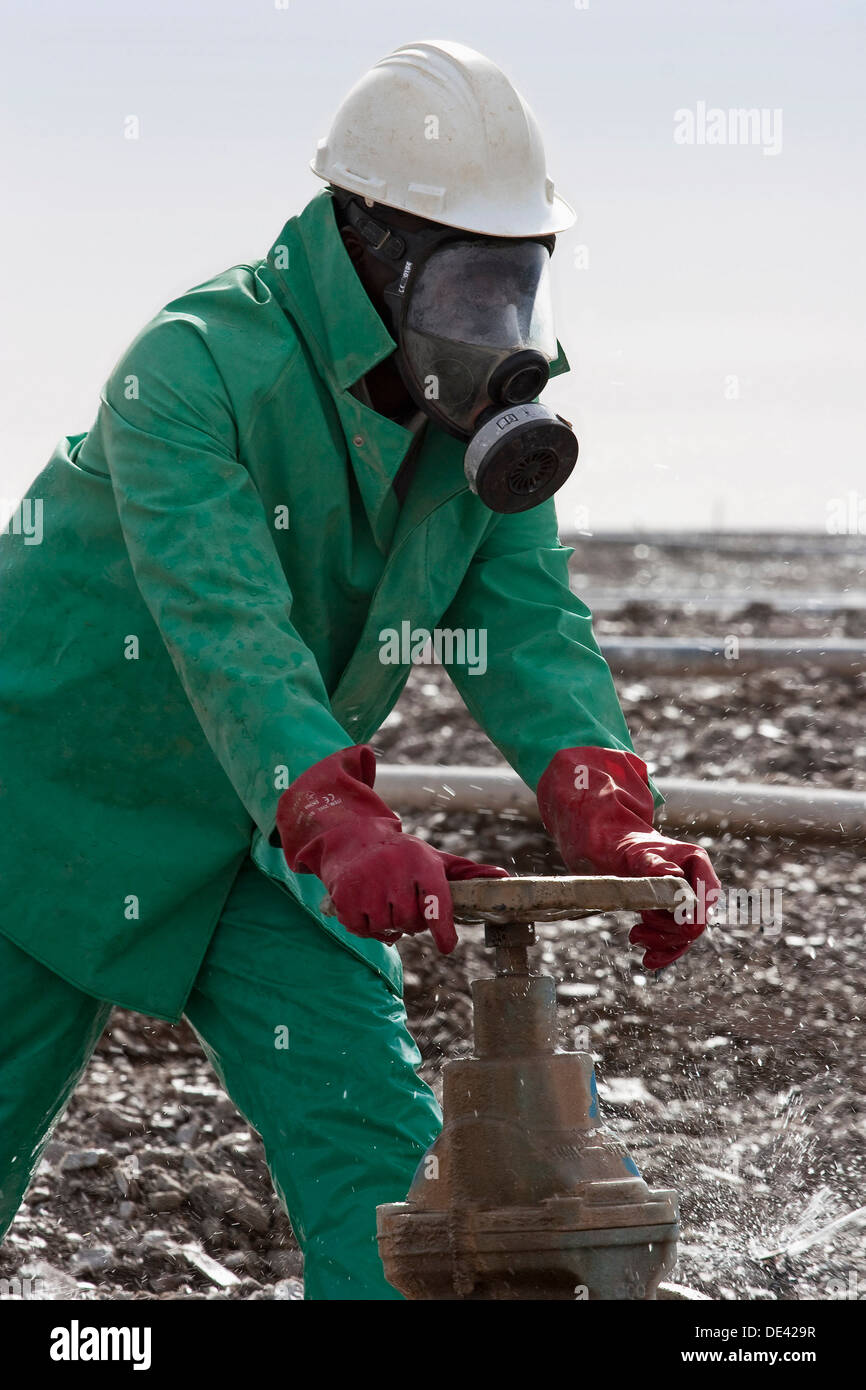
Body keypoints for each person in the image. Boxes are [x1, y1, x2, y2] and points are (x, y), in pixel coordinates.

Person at [0, 39, 720, 1299]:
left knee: (396, 1208)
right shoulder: (191, 369)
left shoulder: (483, 419)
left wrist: (603, 807)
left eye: (514, 281)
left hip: (262, 827)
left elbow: (524, 619)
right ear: (369, 247)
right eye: (464, 279)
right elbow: (225, 623)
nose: (495, 323)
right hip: (47, 800)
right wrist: (336, 816)